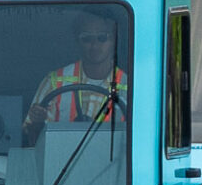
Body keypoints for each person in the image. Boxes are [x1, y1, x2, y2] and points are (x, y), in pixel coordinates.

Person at [23, 10, 129, 145]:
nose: (95, 45)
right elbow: (33, 142)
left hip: (113, 165)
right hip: (61, 164)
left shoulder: (131, 85)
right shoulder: (54, 81)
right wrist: (37, 122)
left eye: (102, 38)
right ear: (77, 41)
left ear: (115, 40)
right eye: (87, 38)